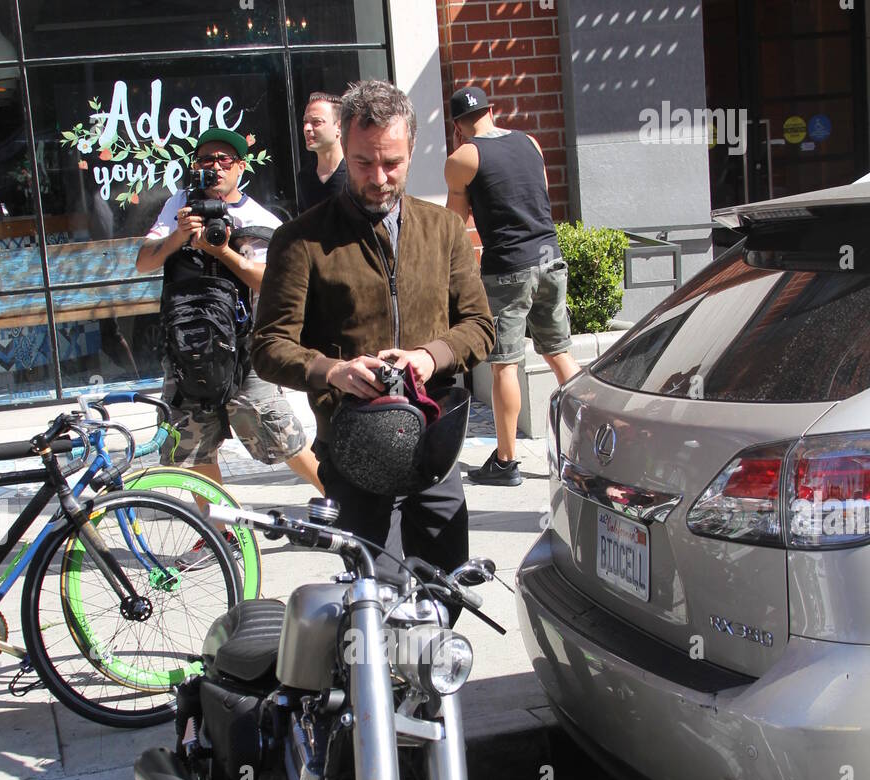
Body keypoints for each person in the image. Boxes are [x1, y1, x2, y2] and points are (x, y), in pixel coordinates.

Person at [252, 80, 494, 579]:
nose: (378, 177)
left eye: (392, 163)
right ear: (344, 143)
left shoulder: (445, 229)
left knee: (443, 594)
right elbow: (268, 346)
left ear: (412, 151)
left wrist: (430, 357)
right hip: (351, 449)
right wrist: (334, 371)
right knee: (368, 603)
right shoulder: (300, 240)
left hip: (435, 444)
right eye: (364, 163)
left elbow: (480, 327)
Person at [135, 126, 321, 491]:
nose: (215, 167)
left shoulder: (262, 220)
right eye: (206, 159)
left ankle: (344, 511)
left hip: (244, 350)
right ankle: (220, 532)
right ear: (195, 166)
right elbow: (143, 262)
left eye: (225, 160)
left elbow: (272, 284)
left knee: (282, 437)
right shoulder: (178, 206)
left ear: (240, 167)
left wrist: (222, 252)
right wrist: (177, 235)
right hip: (186, 349)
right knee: (194, 451)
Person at [444, 86, 580, 486]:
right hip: (551, 258)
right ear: (492, 111)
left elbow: (455, 225)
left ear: (456, 127)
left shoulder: (462, 158)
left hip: (508, 269)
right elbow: (538, 197)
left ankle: (505, 462)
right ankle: (587, 445)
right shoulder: (530, 143)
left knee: (505, 364)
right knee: (560, 354)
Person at [298, 92, 346, 211]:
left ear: (339, 127)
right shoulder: (304, 177)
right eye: (305, 122)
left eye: (317, 122)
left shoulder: (355, 174)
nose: (307, 128)